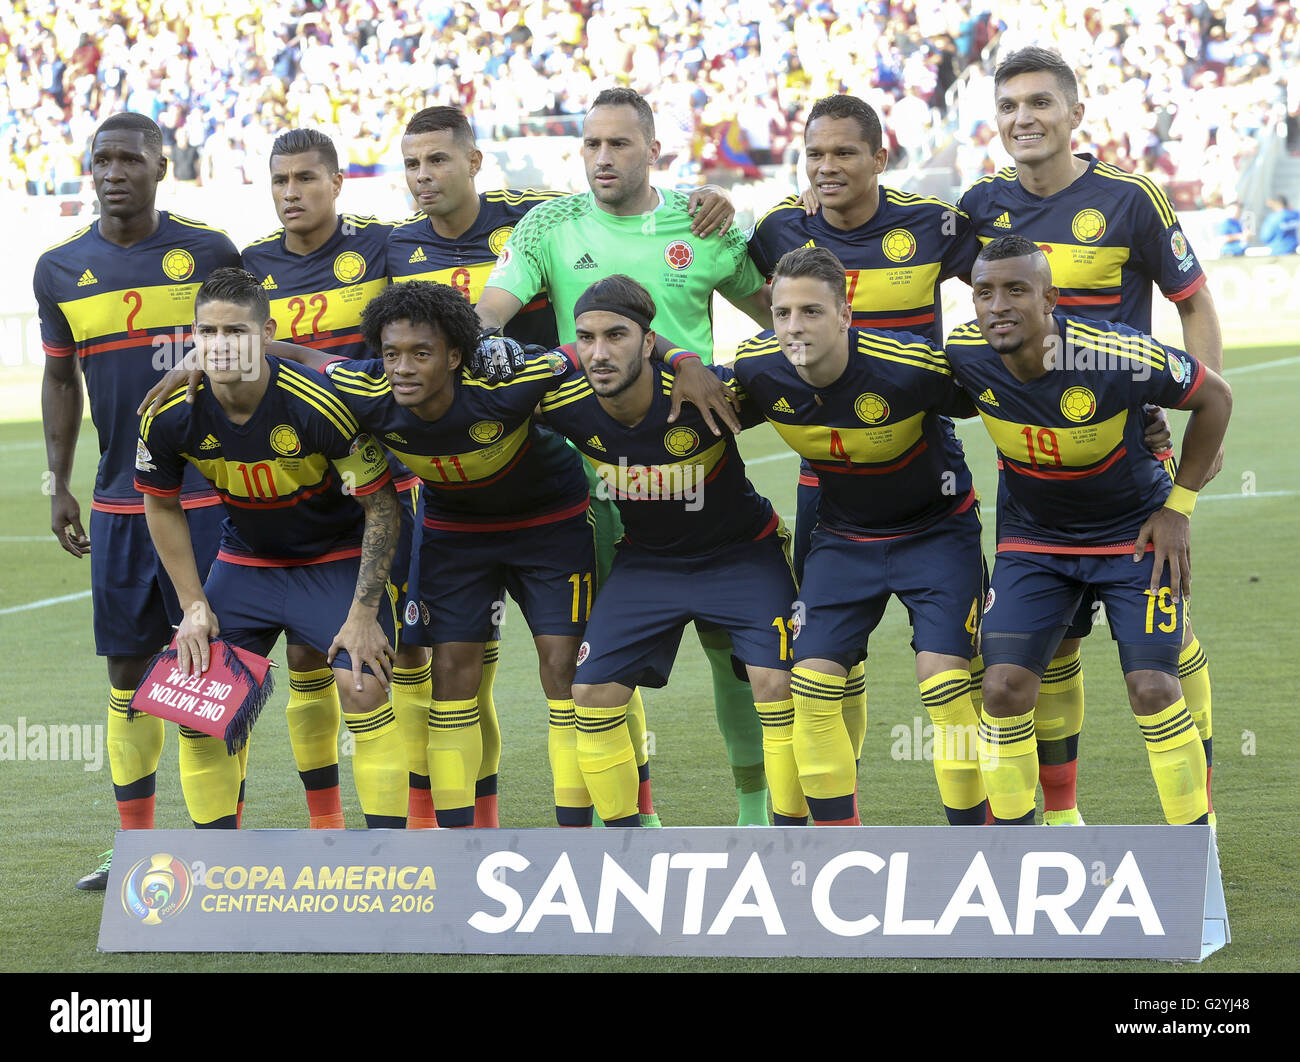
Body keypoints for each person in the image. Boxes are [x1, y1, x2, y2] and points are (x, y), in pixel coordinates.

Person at [480, 86, 779, 826]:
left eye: (619, 143)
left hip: (697, 461)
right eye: (591, 144)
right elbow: (491, 312)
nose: (603, 158)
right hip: (591, 473)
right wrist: (482, 343)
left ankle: (754, 805)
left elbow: (774, 312)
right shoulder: (550, 223)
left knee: (734, 655)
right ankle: (632, 815)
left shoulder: (700, 221)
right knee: (605, 654)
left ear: (654, 149)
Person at [957, 46, 1224, 826]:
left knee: (1158, 651)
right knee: (1053, 646)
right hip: (1037, 469)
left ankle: (1198, 805)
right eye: (1008, 107)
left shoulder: (1129, 199)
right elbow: (888, 235)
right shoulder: (980, 206)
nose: (1023, 119)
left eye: (1040, 103)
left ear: (1076, 113)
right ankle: (1061, 820)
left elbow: (1193, 300)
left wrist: (1189, 397)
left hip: (1126, 440)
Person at [35, 112, 240, 889]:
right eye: (102, 160)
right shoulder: (58, 267)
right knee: (126, 673)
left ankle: (221, 849)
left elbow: (248, 348)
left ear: (161, 167)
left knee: (210, 668)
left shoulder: (211, 251)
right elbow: (61, 378)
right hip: (121, 500)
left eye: (129, 159)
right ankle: (132, 850)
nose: (113, 171)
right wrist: (58, 482)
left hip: (207, 496)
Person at [755, 93, 981, 784]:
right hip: (827, 476)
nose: (828, 167)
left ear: (880, 157)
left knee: (952, 679)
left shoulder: (934, 227)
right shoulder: (776, 231)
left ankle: (992, 829)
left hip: (921, 462)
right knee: (826, 671)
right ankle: (834, 819)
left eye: (844, 152)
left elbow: (1008, 291)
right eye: (815, 154)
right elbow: (763, 314)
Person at [136, 267, 406, 828]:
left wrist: (361, 615)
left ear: (265, 334)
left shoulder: (319, 404)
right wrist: (193, 606)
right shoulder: (169, 412)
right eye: (207, 333)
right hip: (246, 563)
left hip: (333, 558)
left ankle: (392, 863)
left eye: (235, 332)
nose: (220, 346)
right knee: (195, 699)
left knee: (361, 685)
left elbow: (381, 507)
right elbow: (160, 504)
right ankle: (214, 871)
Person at [322, 282, 597, 828]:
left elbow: (594, 347)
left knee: (563, 668)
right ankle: (457, 843)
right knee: (450, 673)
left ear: (454, 355)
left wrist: (679, 357)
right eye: (391, 352)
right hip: (455, 530)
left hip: (548, 525)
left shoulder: (508, 381)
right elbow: (302, 361)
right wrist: (195, 358)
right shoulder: (366, 389)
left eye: (420, 354)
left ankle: (577, 839)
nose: (401, 367)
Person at [732, 247, 987, 826]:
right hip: (844, 540)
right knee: (813, 688)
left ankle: (977, 842)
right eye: (782, 313)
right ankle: (836, 850)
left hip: (937, 534)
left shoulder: (909, 366)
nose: (794, 327)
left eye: (811, 312)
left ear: (846, 314)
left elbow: (1003, 393)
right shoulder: (756, 368)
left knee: (946, 684)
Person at [538, 275, 803, 826]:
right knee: (589, 694)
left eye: (616, 335)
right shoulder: (564, 399)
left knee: (774, 683)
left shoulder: (705, 391)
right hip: (648, 563)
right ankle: (630, 843)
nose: (599, 352)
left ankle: (765, 822)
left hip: (741, 554)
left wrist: (684, 361)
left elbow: (803, 374)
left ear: (647, 341)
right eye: (586, 338)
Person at [240, 128, 403, 828]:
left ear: (337, 182)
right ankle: (325, 825)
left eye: (305, 179)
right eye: (280, 181)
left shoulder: (382, 247)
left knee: (397, 653)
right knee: (307, 655)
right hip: (290, 487)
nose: (290, 193)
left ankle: (420, 825)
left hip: (377, 485)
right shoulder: (249, 265)